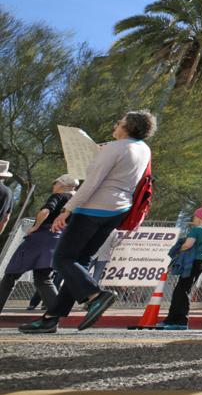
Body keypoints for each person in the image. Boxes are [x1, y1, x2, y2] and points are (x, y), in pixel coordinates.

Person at [21, 110, 156, 334]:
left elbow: (92, 183)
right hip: (118, 210)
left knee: (62, 258)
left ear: (128, 127)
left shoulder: (115, 148)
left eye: (119, 121)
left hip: (93, 208)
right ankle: (51, 317)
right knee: (80, 262)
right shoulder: (144, 149)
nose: (116, 124)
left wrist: (67, 210)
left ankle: (96, 295)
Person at [0, 175, 78, 313]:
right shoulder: (76, 201)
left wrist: (35, 226)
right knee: (43, 278)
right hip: (59, 239)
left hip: (41, 238)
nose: (53, 185)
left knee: (11, 275)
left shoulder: (58, 196)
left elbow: (45, 211)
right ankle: (56, 315)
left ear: (61, 184)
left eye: (55, 182)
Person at [162, 206, 202, 329]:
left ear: (199, 217)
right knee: (182, 289)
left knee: (182, 290)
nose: (193, 218)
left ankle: (179, 321)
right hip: (201, 262)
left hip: (192, 262)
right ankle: (173, 320)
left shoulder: (196, 230)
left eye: (195, 216)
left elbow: (188, 245)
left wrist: (177, 249)